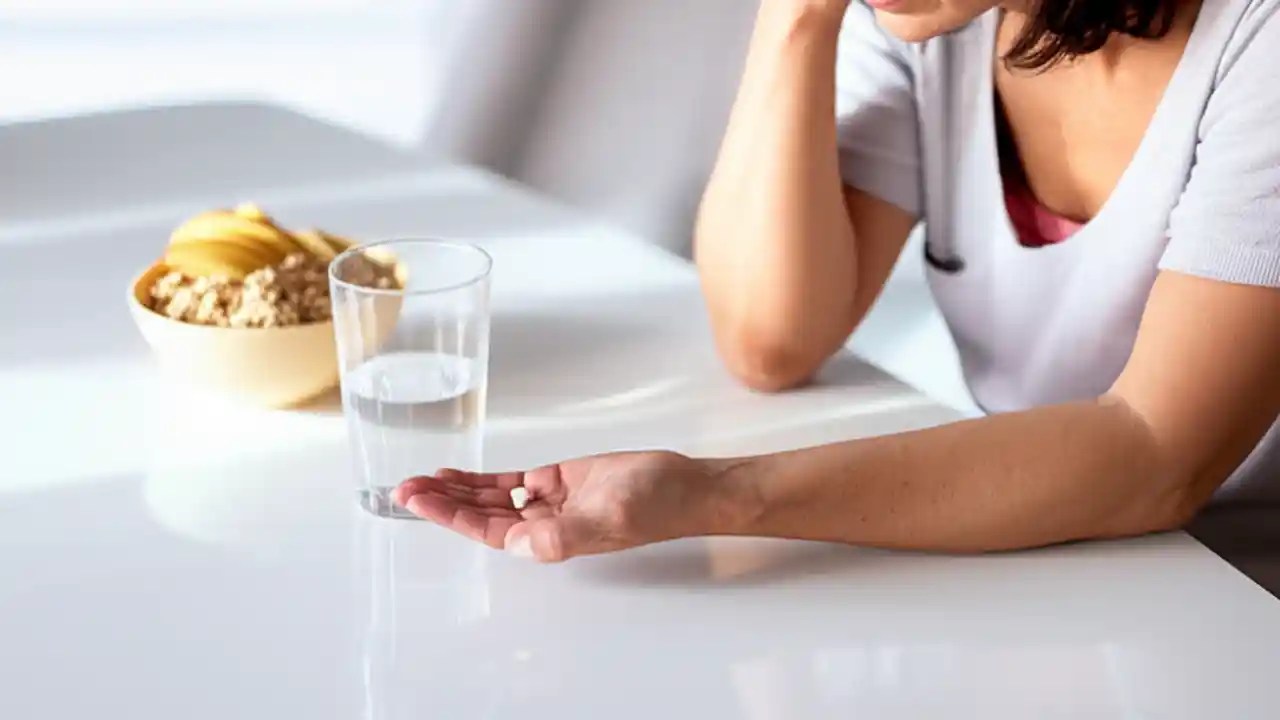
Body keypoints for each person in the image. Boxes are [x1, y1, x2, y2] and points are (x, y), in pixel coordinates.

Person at [394, 0, 1280, 582]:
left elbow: (1156, 455)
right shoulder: (936, 18)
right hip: (1056, 557)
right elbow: (772, 336)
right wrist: (797, 19)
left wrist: (720, 494)